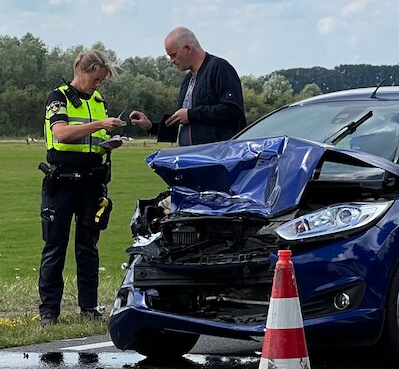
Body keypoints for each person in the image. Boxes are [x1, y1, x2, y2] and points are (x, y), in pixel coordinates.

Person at [38, 50, 124, 325]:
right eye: (96, 79)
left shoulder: (98, 101)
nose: (98, 85)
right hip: (62, 181)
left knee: (88, 248)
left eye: (101, 81)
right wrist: (99, 124)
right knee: (55, 247)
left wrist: (109, 140)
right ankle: (49, 312)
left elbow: (94, 138)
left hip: (91, 181)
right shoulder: (59, 97)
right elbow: (60, 132)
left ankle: (89, 308)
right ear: (82, 71)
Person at [129, 27, 246, 146]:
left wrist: (191, 114)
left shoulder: (219, 68)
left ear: (188, 49)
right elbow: (182, 126)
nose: (171, 61)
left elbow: (233, 110)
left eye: (173, 55)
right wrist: (150, 126)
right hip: (190, 158)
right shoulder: (187, 79)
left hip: (216, 156)